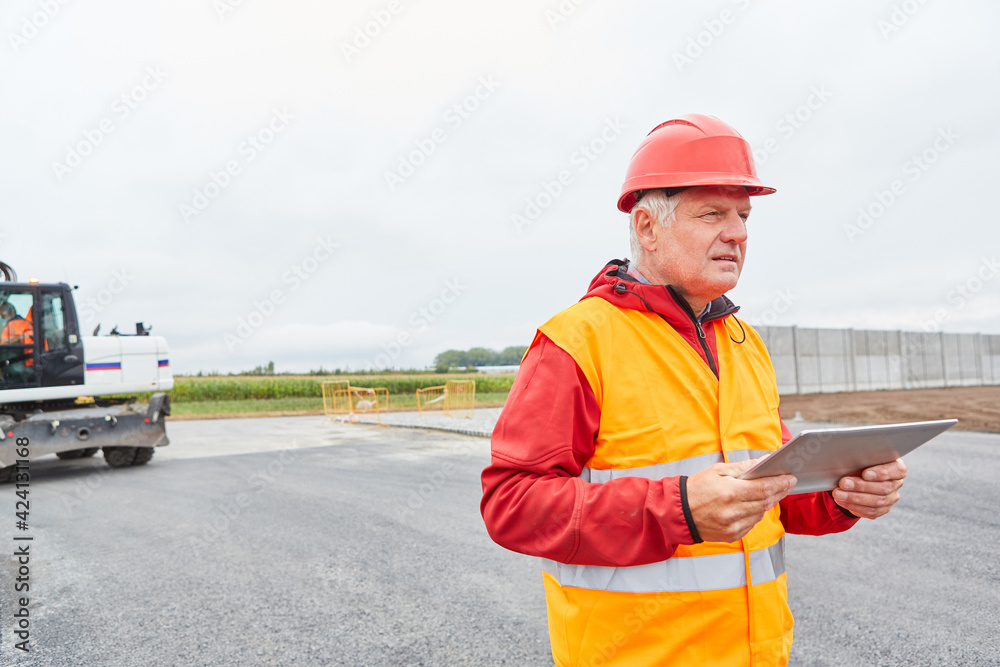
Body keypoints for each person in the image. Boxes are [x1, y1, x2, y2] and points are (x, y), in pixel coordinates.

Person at [480, 114, 907, 667]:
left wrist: (841, 494)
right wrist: (678, 508)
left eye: (744, 216)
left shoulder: (742, 340)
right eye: (713, 214)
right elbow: (511, 504)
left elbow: (770, 485)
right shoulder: (578, 341)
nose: (738, 233)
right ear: (648, 228)